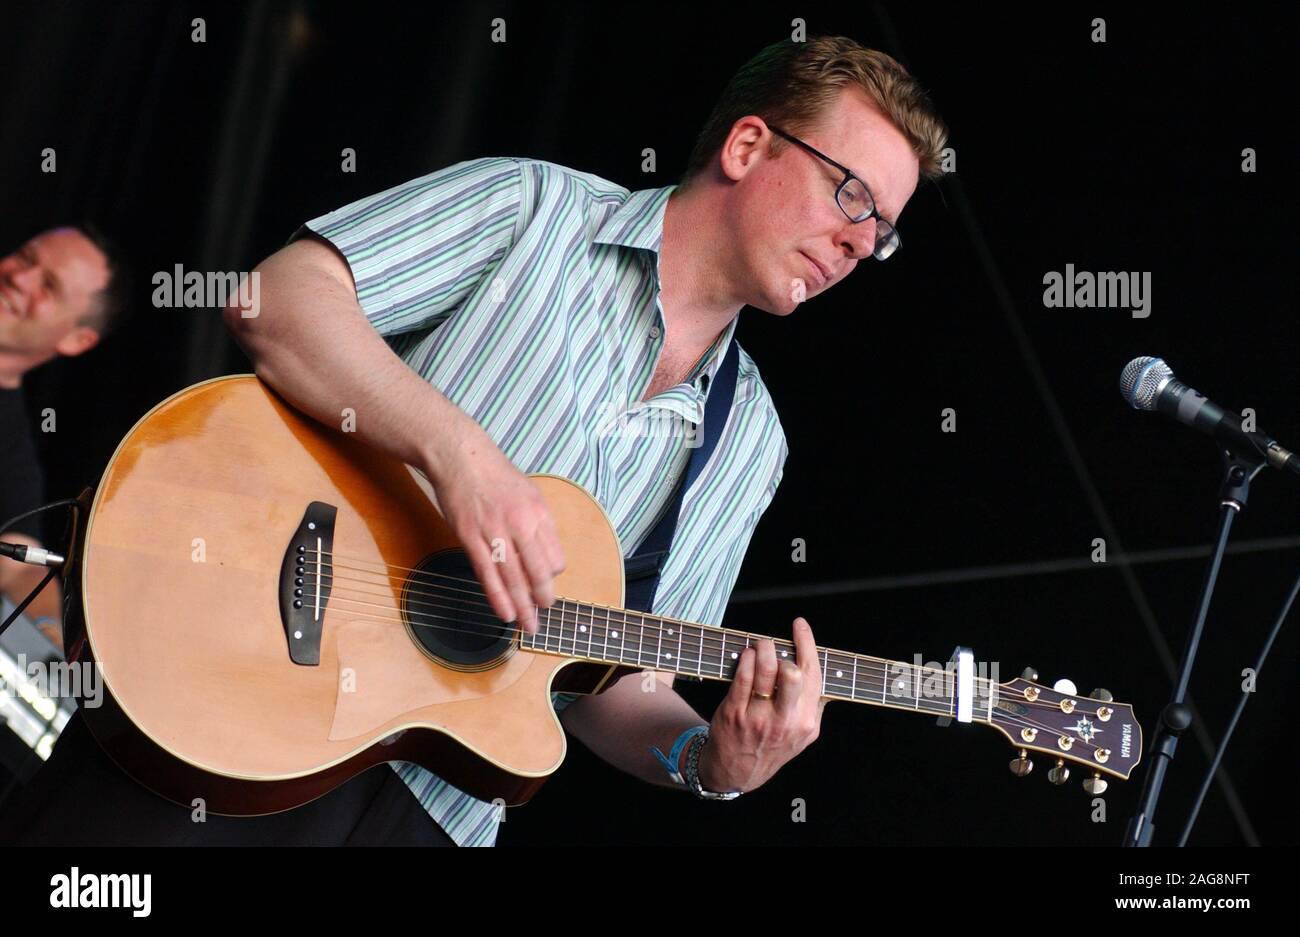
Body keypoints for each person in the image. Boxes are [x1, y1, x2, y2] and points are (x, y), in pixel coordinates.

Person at [2, 35, 947, 847]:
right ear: (749, 146)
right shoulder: (531, 210)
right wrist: (461, 455)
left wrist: (709, 761)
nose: (862, 243)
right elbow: (276, 299)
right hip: (228, 691)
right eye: (852, 195)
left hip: (432, 820)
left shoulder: (752, 444)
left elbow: (617, 685)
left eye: (886, 232)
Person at [0, 225, 125, 650]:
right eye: (25, 257)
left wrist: (59, 642)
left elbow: (20, 568)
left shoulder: (12, 459)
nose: (19, 278)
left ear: (75, 339)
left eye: (48, 286)